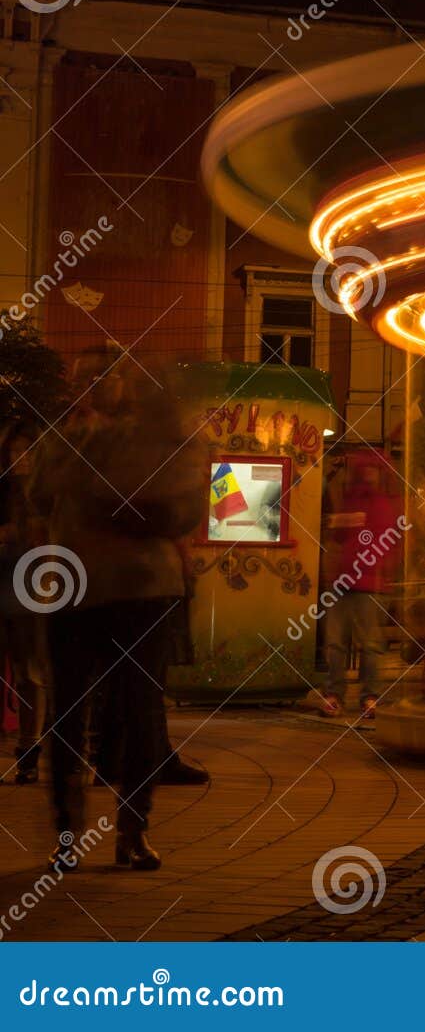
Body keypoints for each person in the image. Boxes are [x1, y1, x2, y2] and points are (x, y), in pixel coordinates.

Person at [35, 351, 207, 871]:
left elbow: (185, 504)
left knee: (139, 712)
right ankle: (68, 833)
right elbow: (39, 494)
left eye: (107, 377)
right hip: (76, 587)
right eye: (86, 379)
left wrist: (106, 496)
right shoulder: (66, 438)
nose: (96, 387)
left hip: (143, 590)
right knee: (67, 713)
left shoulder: (164, 437)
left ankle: (133, 829)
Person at [318, 451, 402, 719]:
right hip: (357, 582)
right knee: (358, 644)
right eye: (363, 469)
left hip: (360, 582)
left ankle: (345, 696)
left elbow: (343, 538)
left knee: (346, 644)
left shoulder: (375, 503)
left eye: (371, 469)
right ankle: (363, 698)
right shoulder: (371, 502)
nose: (367, 474)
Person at [0, 421, 47, 783]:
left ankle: (29, 753)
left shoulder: (47, 495)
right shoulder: (4, 490)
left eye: (28, 450)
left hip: (32, 590)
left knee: (30, 673)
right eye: (16, 451)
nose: (22, 458)